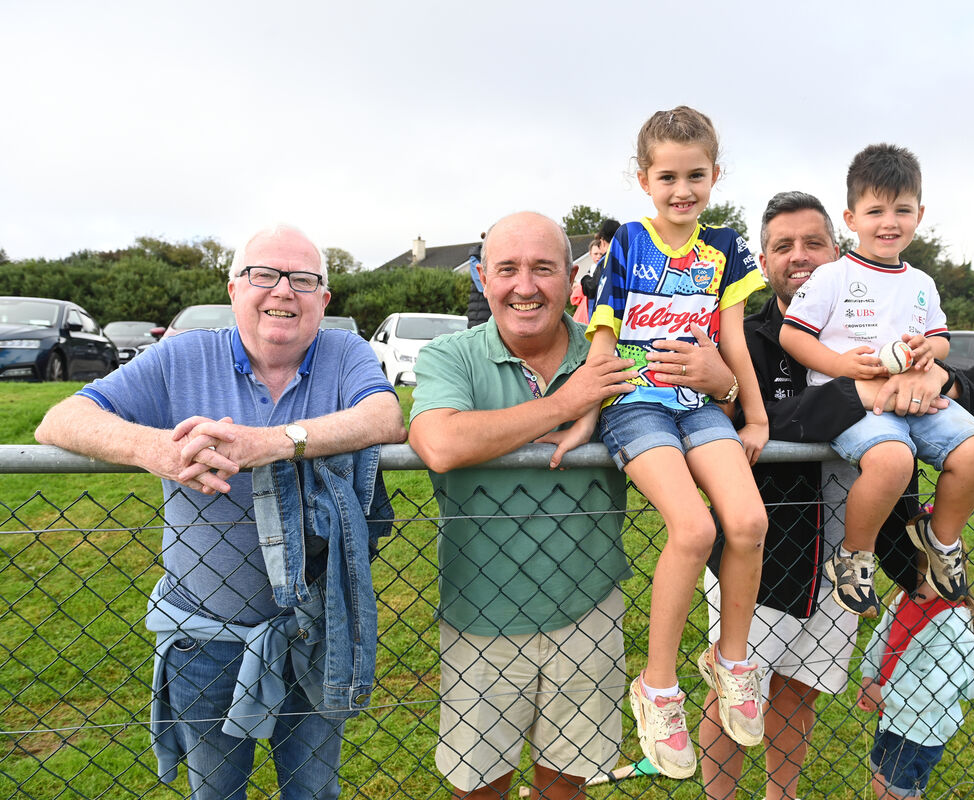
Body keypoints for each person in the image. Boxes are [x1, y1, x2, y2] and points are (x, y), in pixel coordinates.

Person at [34, 223, 407, 799]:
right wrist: (157, 449)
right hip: (203, 637)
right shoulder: (183, 356)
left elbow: (385, 417)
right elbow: (59, 420)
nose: (283, 291)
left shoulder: (344, 353)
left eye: (303, 280)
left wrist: (274, 441)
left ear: (323, 301)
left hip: (314, 629)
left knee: (313, 792)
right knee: (215, 791)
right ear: (234, 289)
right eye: (264, 275)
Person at [646, 191, 974, 800]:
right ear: (763, 258)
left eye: (813, 243)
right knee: (736, 689)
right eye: (783, 246)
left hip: (845, 553)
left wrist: (943, 377)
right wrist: (861, 395)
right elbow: (755, 420)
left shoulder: (884, 323)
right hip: (762, 550)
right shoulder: (745, 337)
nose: (799, 256)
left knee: (799, 691)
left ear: (838, 250)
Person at [547, 106, 769, 779]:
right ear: (644, 179)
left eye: (695, 175)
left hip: (700, 405)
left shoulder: (725, 247)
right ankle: (659, 686)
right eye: (667, 176)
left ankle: (731, 660)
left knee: (750, 521)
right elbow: (605, 331)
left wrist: (751, 415)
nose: (682, 189)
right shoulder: (630, 243)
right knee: (694, 530)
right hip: (637, 406)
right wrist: (587, 406)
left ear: (715, 174)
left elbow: (732, 339)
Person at [407, 211, 638, 800]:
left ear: (572, 276)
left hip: (588, 607)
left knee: (568, 785)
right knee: (480, 787)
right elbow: (439, 442)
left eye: (543, 268)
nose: (525, 286)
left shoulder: (610, 354)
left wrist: (725, 384)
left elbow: (699, 421)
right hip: (480, 617)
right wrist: (573, 401)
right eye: (507, 269)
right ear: (483, 278)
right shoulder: (450, 357)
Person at [779, 143, 974, 618]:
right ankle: (854, 556)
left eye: (902, 209)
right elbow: (793, 336)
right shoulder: (832, 277)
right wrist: (843, 366)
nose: (889, 222)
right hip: (856, 403)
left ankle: (940, 540)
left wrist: (928, 353)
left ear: (920, 214)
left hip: (918, 398)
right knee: (894, 461)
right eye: (875, 210)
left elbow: (940, 341)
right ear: (851, 218)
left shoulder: (921, 282)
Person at [855, 551, 974, 799]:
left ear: (947, 577)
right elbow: (879, 641)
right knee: (880, 777)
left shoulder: (951, 625)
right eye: (907, 580)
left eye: (920, 582)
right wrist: (868, 678)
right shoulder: (902, 602)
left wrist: (882, 696)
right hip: (890, 716)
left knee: (897, 791)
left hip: (919, 730)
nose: (912, 589)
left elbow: (932, 689)